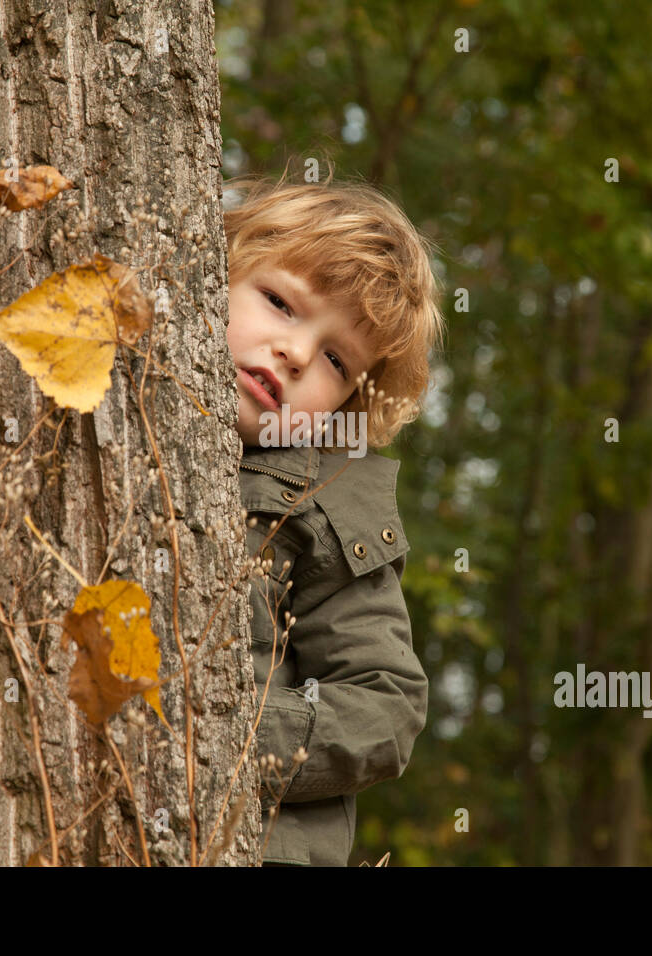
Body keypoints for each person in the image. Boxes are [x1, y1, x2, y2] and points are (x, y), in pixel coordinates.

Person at [221, 167, 446, 865]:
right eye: (281, 304)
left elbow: (387, 702)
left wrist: (225, 741)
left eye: (335, 359)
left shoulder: (326, 501)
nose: (293, 353)